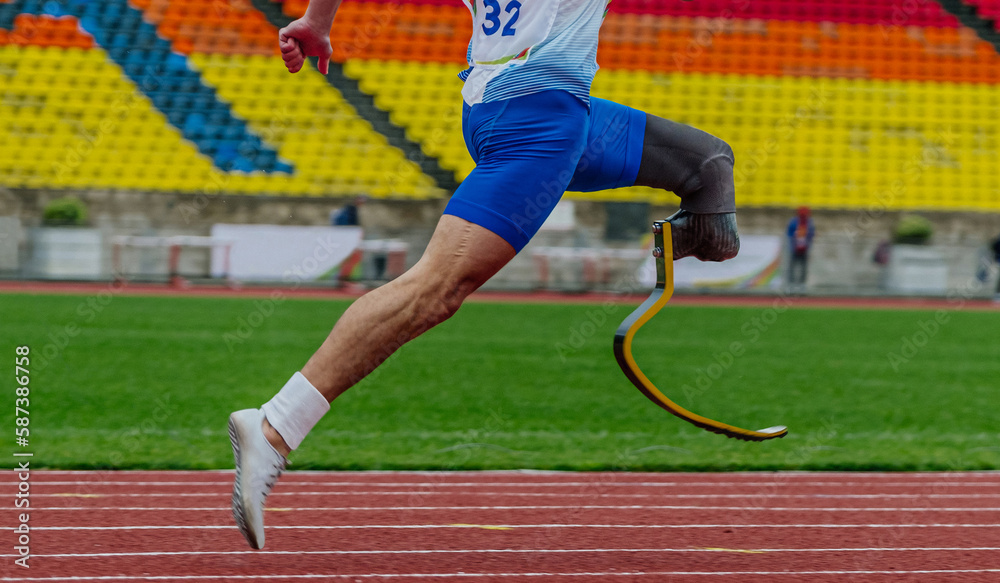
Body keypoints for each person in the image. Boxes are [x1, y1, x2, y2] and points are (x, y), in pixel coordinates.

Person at [228, 0, 742, 549]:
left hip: (528, 107)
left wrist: (317, 20)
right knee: (435, 289)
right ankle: (275, 426)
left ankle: (692, 232)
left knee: (708, 166)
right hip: (538, 120)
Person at [786, 206, 814, 293]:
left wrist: (807, 239)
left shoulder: (809, 222)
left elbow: (812, 234)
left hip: (805, 249)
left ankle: (802, 286)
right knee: (792, 267)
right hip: (794, 248)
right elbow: (789, 233)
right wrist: (795, 235)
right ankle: (791, 286)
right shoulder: (794, 221)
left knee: (803, 268)